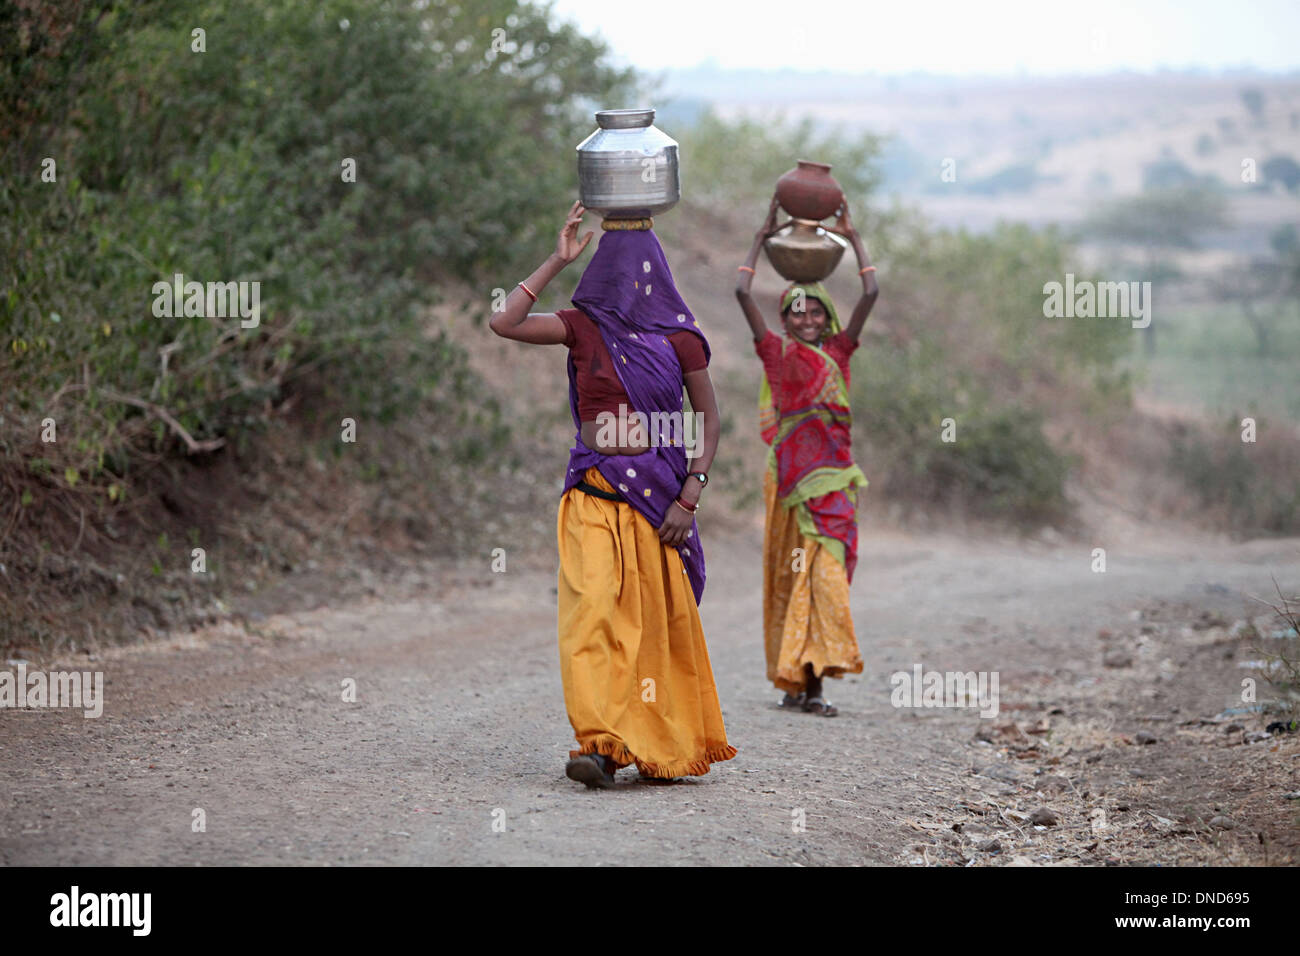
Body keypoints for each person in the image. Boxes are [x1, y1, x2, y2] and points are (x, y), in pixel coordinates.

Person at [490, 200, 737, 787]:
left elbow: (707, 420)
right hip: (593, 499)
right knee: (593, 615)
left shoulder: (682, 341)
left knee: (651, 628)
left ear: (659, 272)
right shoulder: (581, 328)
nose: (628, 280)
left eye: (639, 267)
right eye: (614, 267)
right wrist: (556, 258)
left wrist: (690, 496)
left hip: (659, 505)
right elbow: (504, 322)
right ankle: (599, 746)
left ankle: (656, 741)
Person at [733, 195, 879, 716]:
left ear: (829, 318)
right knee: (792, 579)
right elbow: (740, 290)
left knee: (826, 583)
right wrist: (762, 235)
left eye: (817, 310)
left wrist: (851, 236)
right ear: (786, 320)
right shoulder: (775, 354)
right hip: (791, 487)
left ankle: (814, 683)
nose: (808, 318)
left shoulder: (839, 353)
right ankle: (800, 684)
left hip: (837, 487)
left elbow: (872, 291)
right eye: (799, 311)